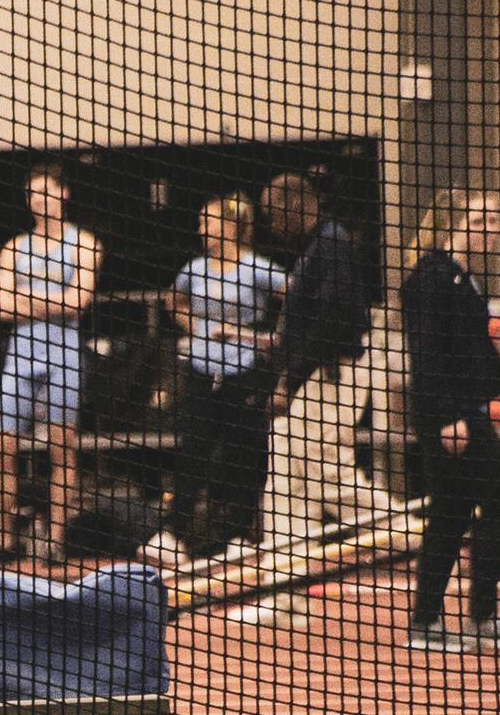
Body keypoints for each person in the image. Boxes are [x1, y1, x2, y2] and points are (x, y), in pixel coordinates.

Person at [401, 190, 500, 652]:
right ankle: (469, 619)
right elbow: (427, 357)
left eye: (493, 220)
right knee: (497, 501)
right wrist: (448, 418)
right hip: (451, 418)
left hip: (465, 412)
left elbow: (482, 357)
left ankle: (434, 621)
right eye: (480, 220)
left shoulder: (463, 280)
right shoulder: (431, 278)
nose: (491, 229)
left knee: (451, 513)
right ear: (452, 224)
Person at [149, 193, 288, 561]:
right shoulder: (194, 269)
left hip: (244, 373)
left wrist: (263, 338)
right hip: (200, 372)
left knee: (242, 454)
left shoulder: (257, 267)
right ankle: (174, 534)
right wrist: (196, 327)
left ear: (230, 226)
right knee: (192, 451)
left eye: (207, 221)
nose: (201, 228)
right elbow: (173, 300)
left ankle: (239, 535)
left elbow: (295, 297)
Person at [258, 172, 391, 549]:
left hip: (333, 374)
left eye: (274, 214)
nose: (273, 225)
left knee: (326, 472)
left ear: (294, 206)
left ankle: (411, 535)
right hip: (313, 375)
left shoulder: (331, 243)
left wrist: (290, 380)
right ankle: (286, 572)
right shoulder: (316, 247)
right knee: (285, 472)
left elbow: (331, 319)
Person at [0, 163, 100, 563]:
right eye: (32, 193)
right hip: (21, 357)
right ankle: (3, 541)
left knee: (61, 449)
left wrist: (27, 299)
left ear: (63, 194)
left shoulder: (83, 243)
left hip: (63, 357)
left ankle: (56, 541)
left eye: (46, 192)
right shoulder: (14, 247)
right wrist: (52, 301)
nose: (39, 200)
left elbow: (78, 301)